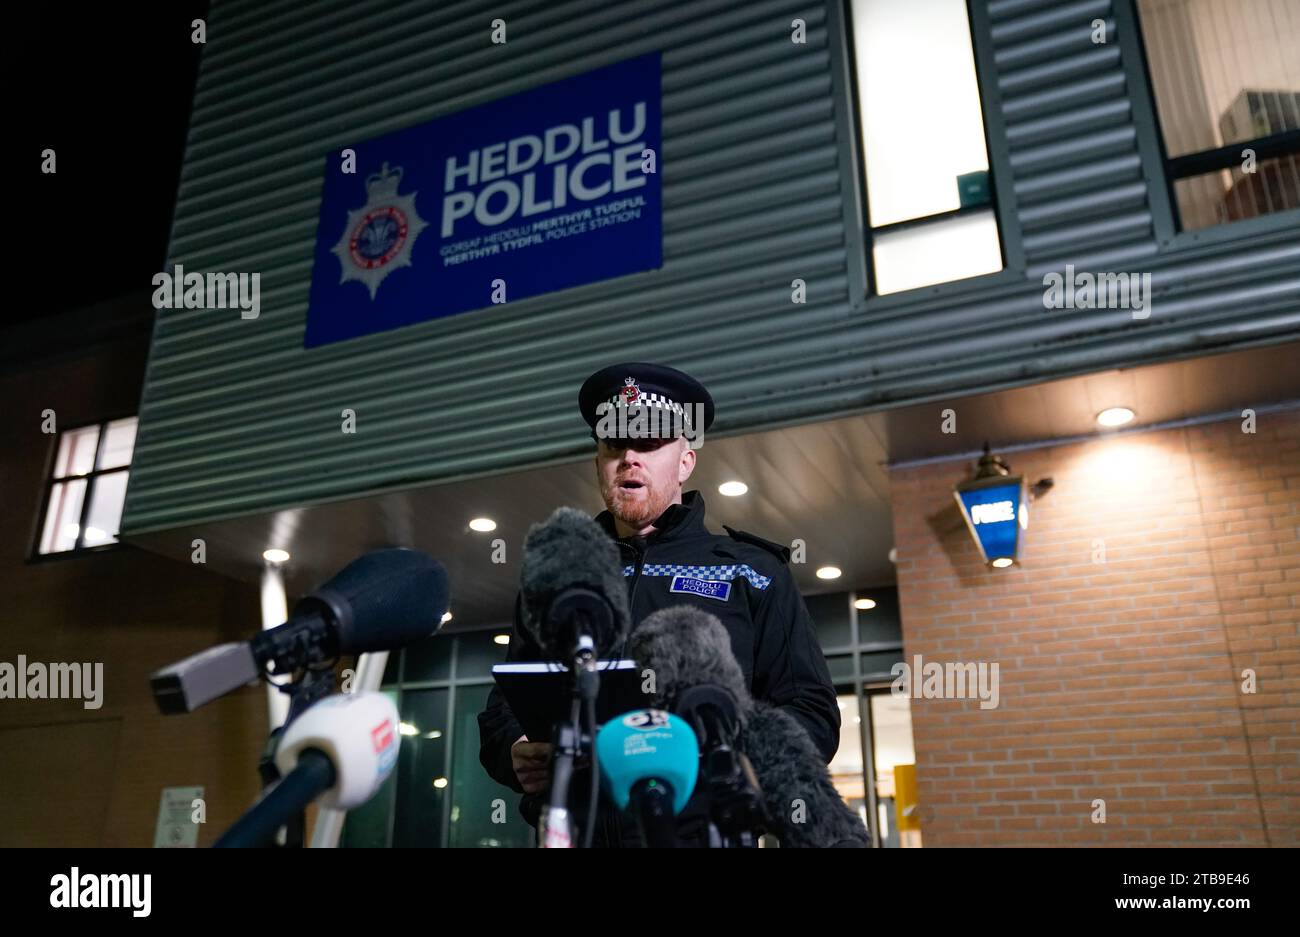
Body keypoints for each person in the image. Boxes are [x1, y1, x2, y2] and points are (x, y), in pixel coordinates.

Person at [477, 362, 840, 846]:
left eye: (649, 444)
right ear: (598, 459)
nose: (629, 456)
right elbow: (505, 705)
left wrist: (735, 765)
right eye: (614, 444)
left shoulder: (750, 571)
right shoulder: (559, 578)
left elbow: (812, 712)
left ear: (685, 462)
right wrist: (516, 750)